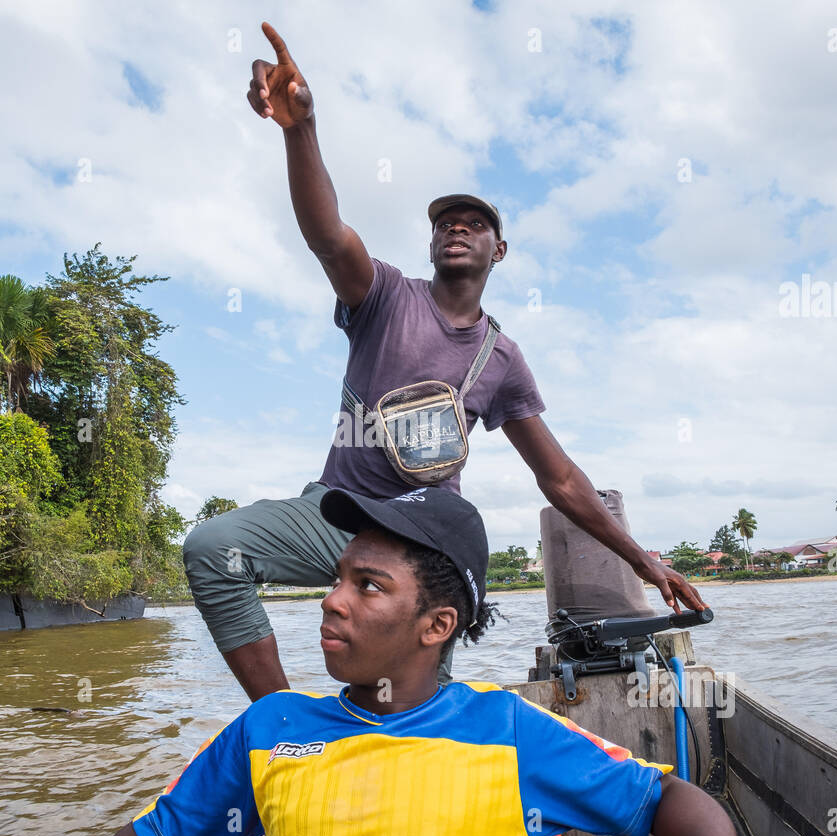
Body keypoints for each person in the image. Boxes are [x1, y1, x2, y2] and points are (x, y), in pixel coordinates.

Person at [184, 21, 705, 702]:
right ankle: (282, 720)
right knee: (211, 550)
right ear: (431, 246)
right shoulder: (386, 295)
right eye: (444, 224)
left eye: (474, 223)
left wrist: (647, 562)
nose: (456, 228)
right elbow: (327, 237)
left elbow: (563, 481)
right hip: (336, 515)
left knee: (405, 707)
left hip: (425, 536)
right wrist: (299, 130)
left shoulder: (504, 359)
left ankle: (404, 735)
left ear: (499, 251)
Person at [87, 487, 742, 836]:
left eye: (367, 586)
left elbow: (666, 801)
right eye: (338, 578)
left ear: (436, 626)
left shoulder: (508, 730)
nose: (331, 600)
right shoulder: (270, 728)